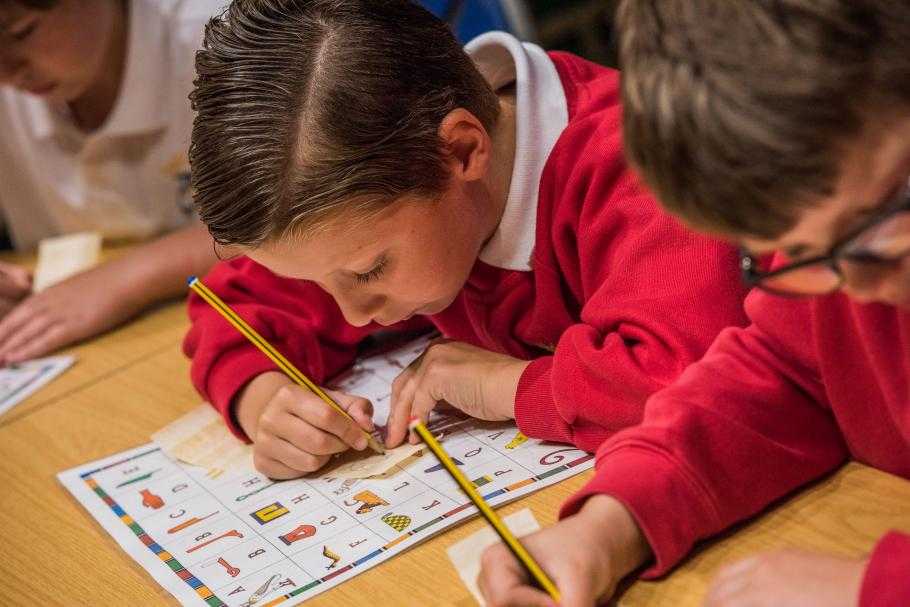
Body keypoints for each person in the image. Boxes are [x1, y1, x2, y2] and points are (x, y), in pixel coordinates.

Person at [183, 0, 747, 480]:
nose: (352, 313)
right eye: (317, 283)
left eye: (370, 271)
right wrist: (265, 401)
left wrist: (513, 385)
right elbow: (234, 308)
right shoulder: (370, 201)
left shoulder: (643, 166)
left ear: (461, 151)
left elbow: (699, 381)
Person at [477, 1, 910, 606]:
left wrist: (872, 589)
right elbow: (784, 376)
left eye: (884, 213)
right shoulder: (839, 266)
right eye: (798, 254)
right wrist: (612, 522)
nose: (859, 288)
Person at [0, 0, 221, 363]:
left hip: (227, 317)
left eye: (21, 32)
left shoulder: (225, 39)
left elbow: (302, 219)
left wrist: (129, 277)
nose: (8, 72)